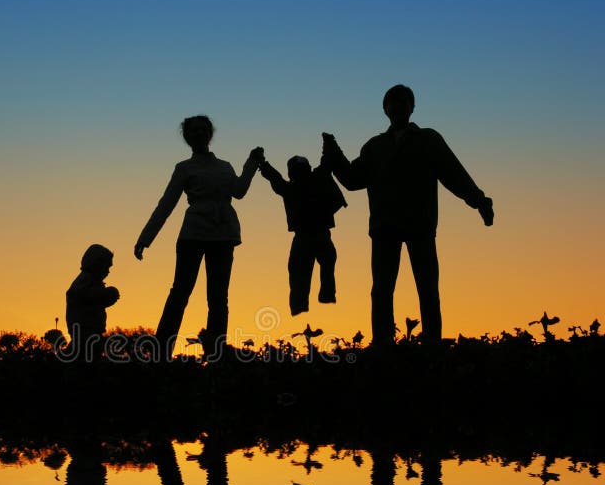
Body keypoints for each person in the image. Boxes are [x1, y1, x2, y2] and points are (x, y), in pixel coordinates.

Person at [322, 84, 494, 344]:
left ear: (412, 107)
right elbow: (352, 178)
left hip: (419, 225)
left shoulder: (428, 139)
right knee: (381, 291)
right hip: (384, 227)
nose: (398, 106)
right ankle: (382, 345)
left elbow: (454, 174)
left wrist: (479, 200)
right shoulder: (375, 146)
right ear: (385, 109)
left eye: (403, 101)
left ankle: (432, 345)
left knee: (427, 290)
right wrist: (334, 154)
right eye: (392, 102)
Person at [134, 115, 264, 359]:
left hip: (223, 235)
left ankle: (215, 355)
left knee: (218, 299)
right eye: (193, 131)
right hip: (193, 235)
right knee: (180, 293)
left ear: (209, 134)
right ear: (187, 137)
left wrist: (251, 164)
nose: (198, 134)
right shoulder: (184, 168)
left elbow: (239, 191)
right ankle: (161, 353)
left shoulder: (224, 166)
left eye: (203, 129)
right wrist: (146, 237)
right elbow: (166, 204)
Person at [259, 153, 347, 315]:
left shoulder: (295, 187)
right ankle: (320, 299)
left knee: (301, 273)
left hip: (307, 237)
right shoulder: (313, 182)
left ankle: (306, 304)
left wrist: (263, 164)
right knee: (313, 268)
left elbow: (275, 178)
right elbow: (275, 178)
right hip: (316, 235)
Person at [65, 243, 119, 359]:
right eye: (106, 267)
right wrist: (105, 294)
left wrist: (108, 298)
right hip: (84, 332)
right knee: (82, 362)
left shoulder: (93, 282)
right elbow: (79, 295)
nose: (108, 272)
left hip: (92, 331)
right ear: (96, 264)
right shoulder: (84, 280)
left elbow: (94, 303)